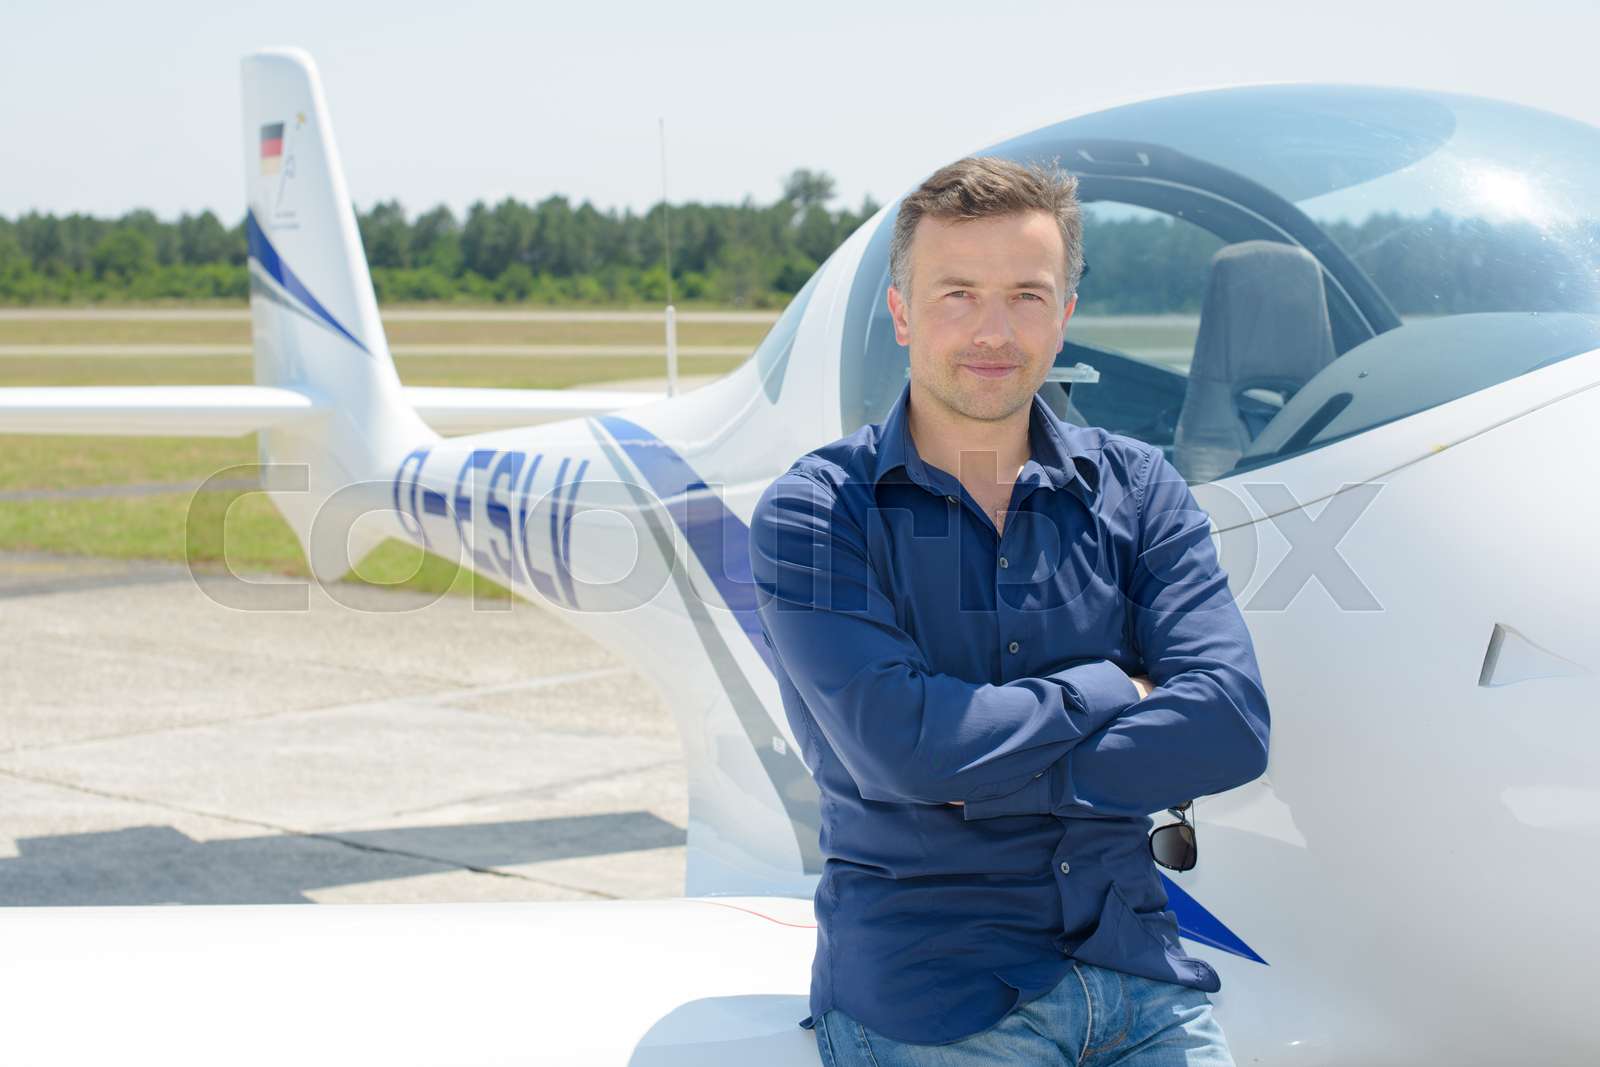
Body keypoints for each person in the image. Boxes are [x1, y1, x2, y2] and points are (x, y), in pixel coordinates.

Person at [748, 156, 1272, 1066]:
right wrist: (1114, 689)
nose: (995, 331)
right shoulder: (816, 512)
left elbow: (1230, 723)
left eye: (1027, 296)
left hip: (1141, 978)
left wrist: (970, 773)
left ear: (1065, 314)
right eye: (958, 293)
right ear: (902, 312)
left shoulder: (1139, 488)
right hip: (933, 991)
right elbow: (903, 750)